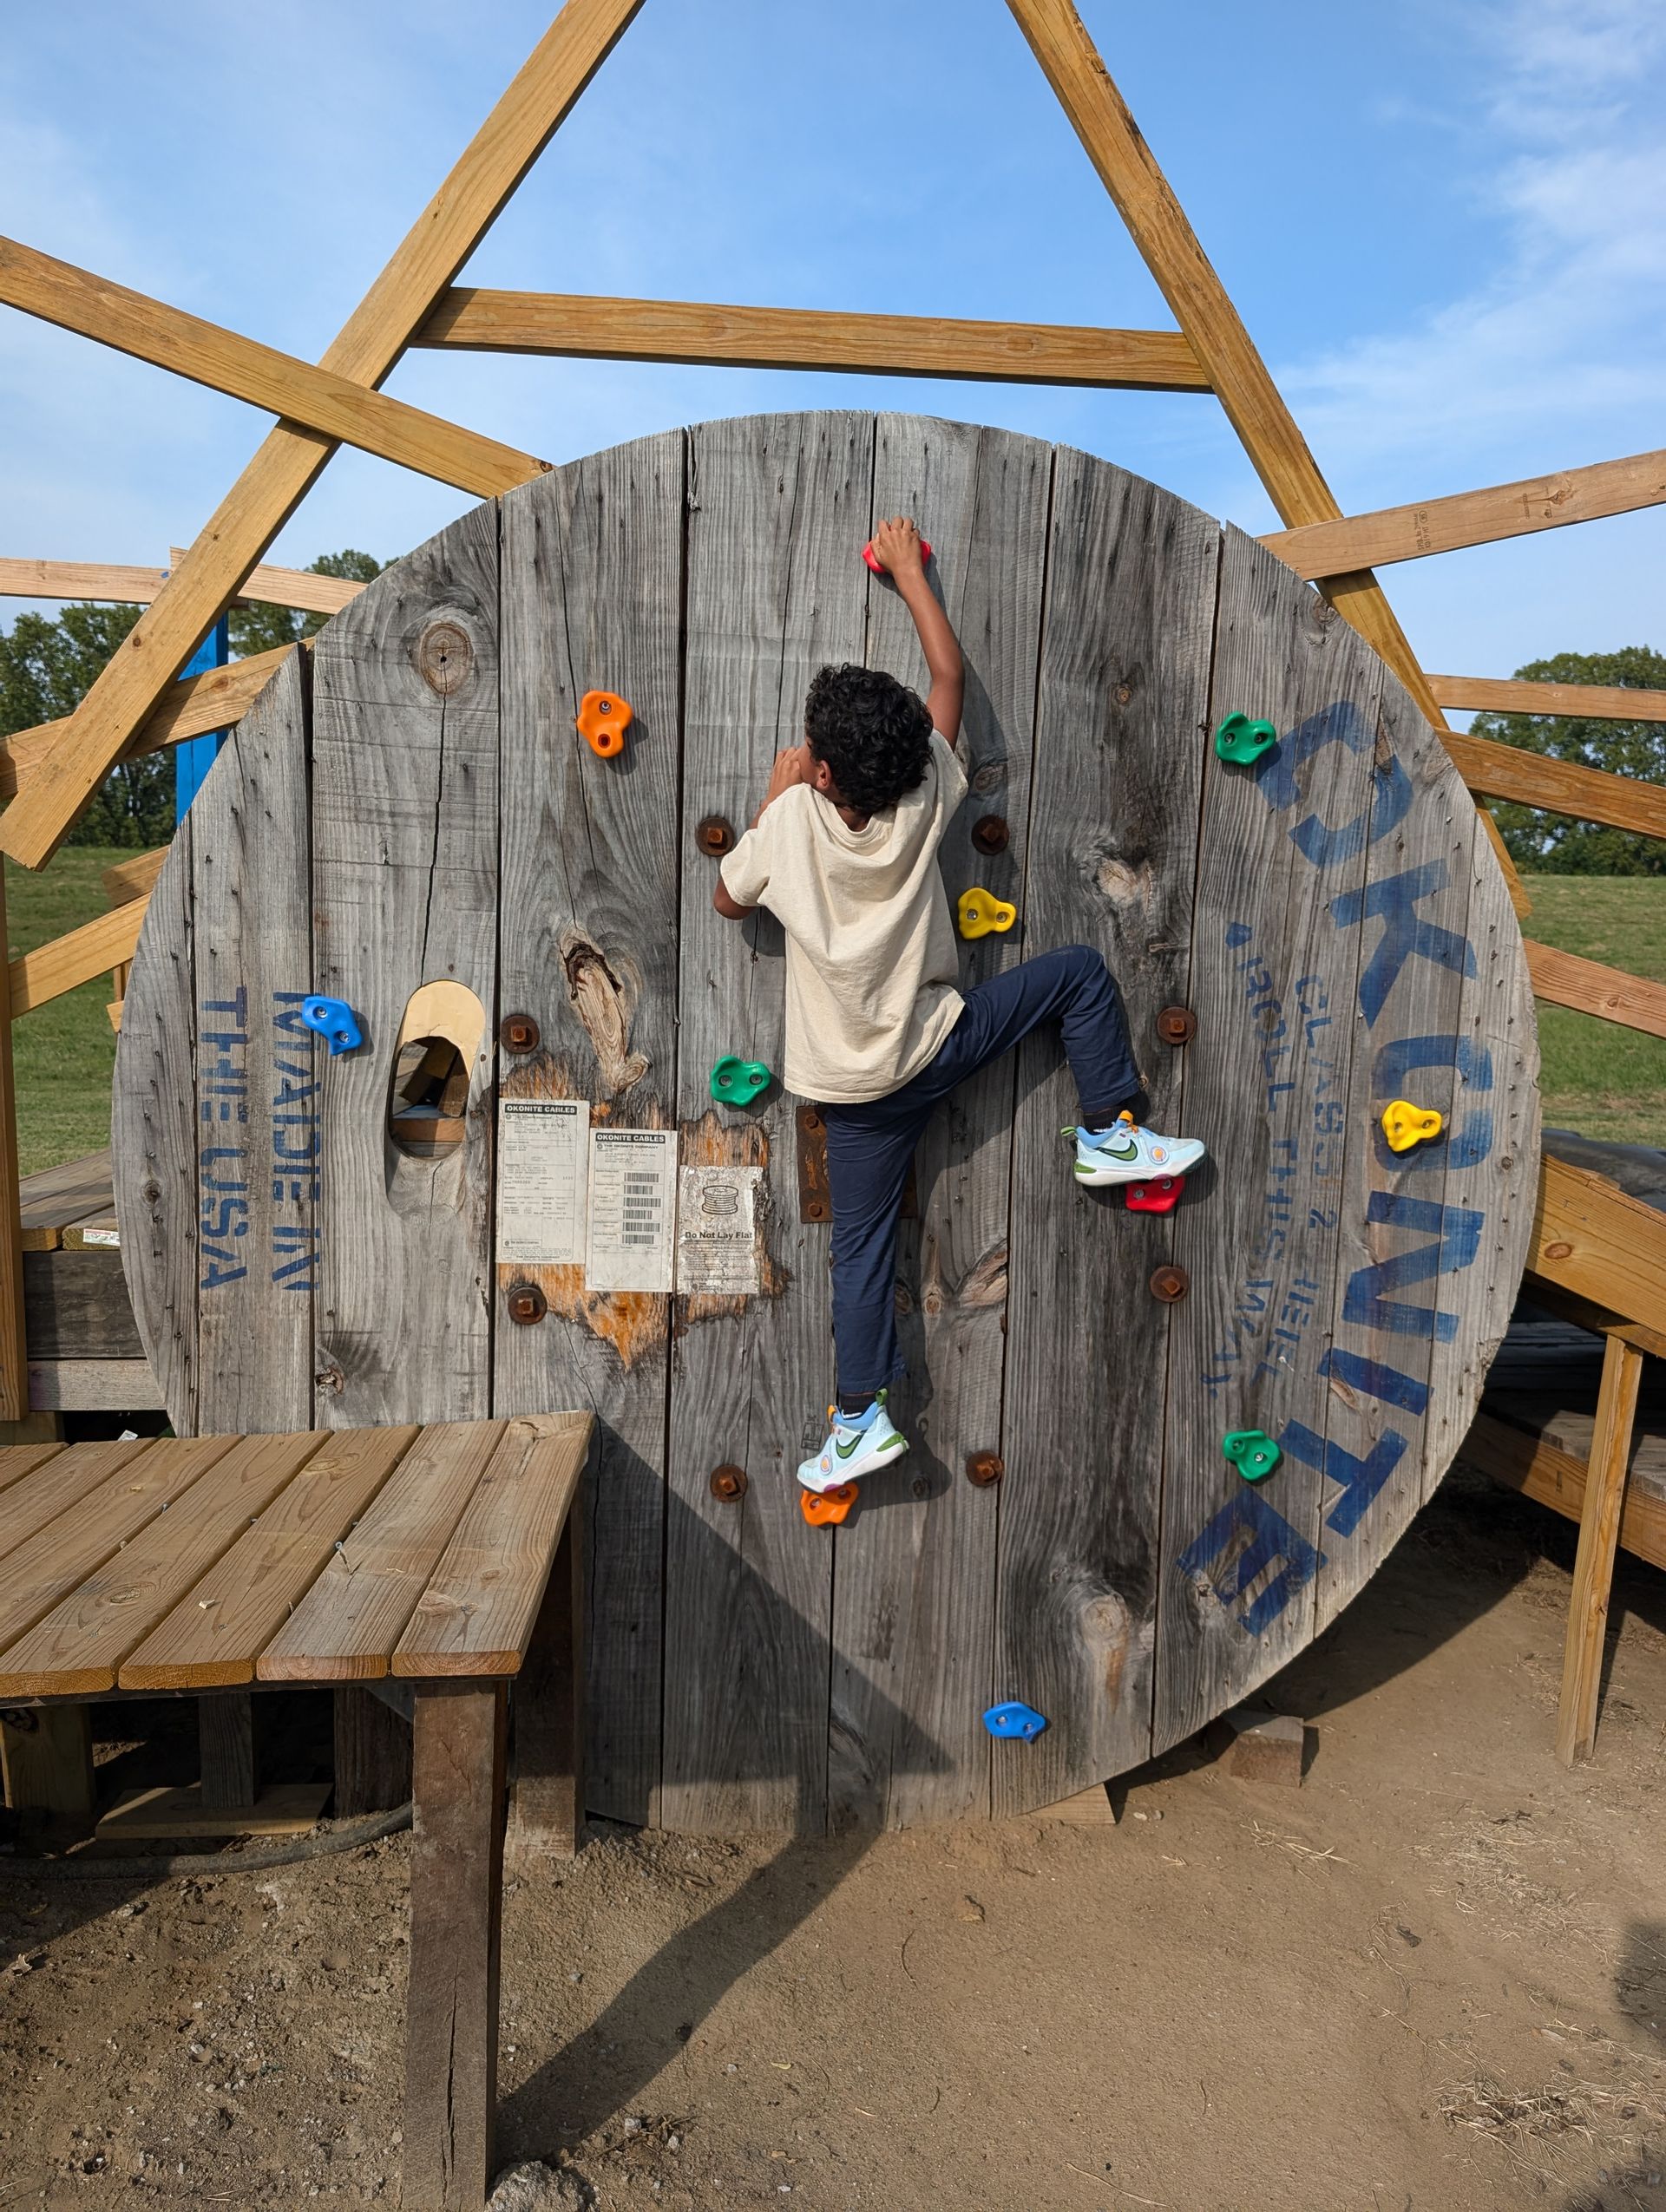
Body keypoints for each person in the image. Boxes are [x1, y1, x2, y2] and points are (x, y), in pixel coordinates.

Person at [713, 515, 1206, 1498]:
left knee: (858, 1254)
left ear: (819, 772)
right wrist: (909, 572)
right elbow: (948, 682)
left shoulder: (787, 829)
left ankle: (860, 1420)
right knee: (1074, 975)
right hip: (938, 1046)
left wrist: (771, 801)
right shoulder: (925, 799)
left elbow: (728, 898)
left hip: (849, 1093)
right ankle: (1109, 1133)